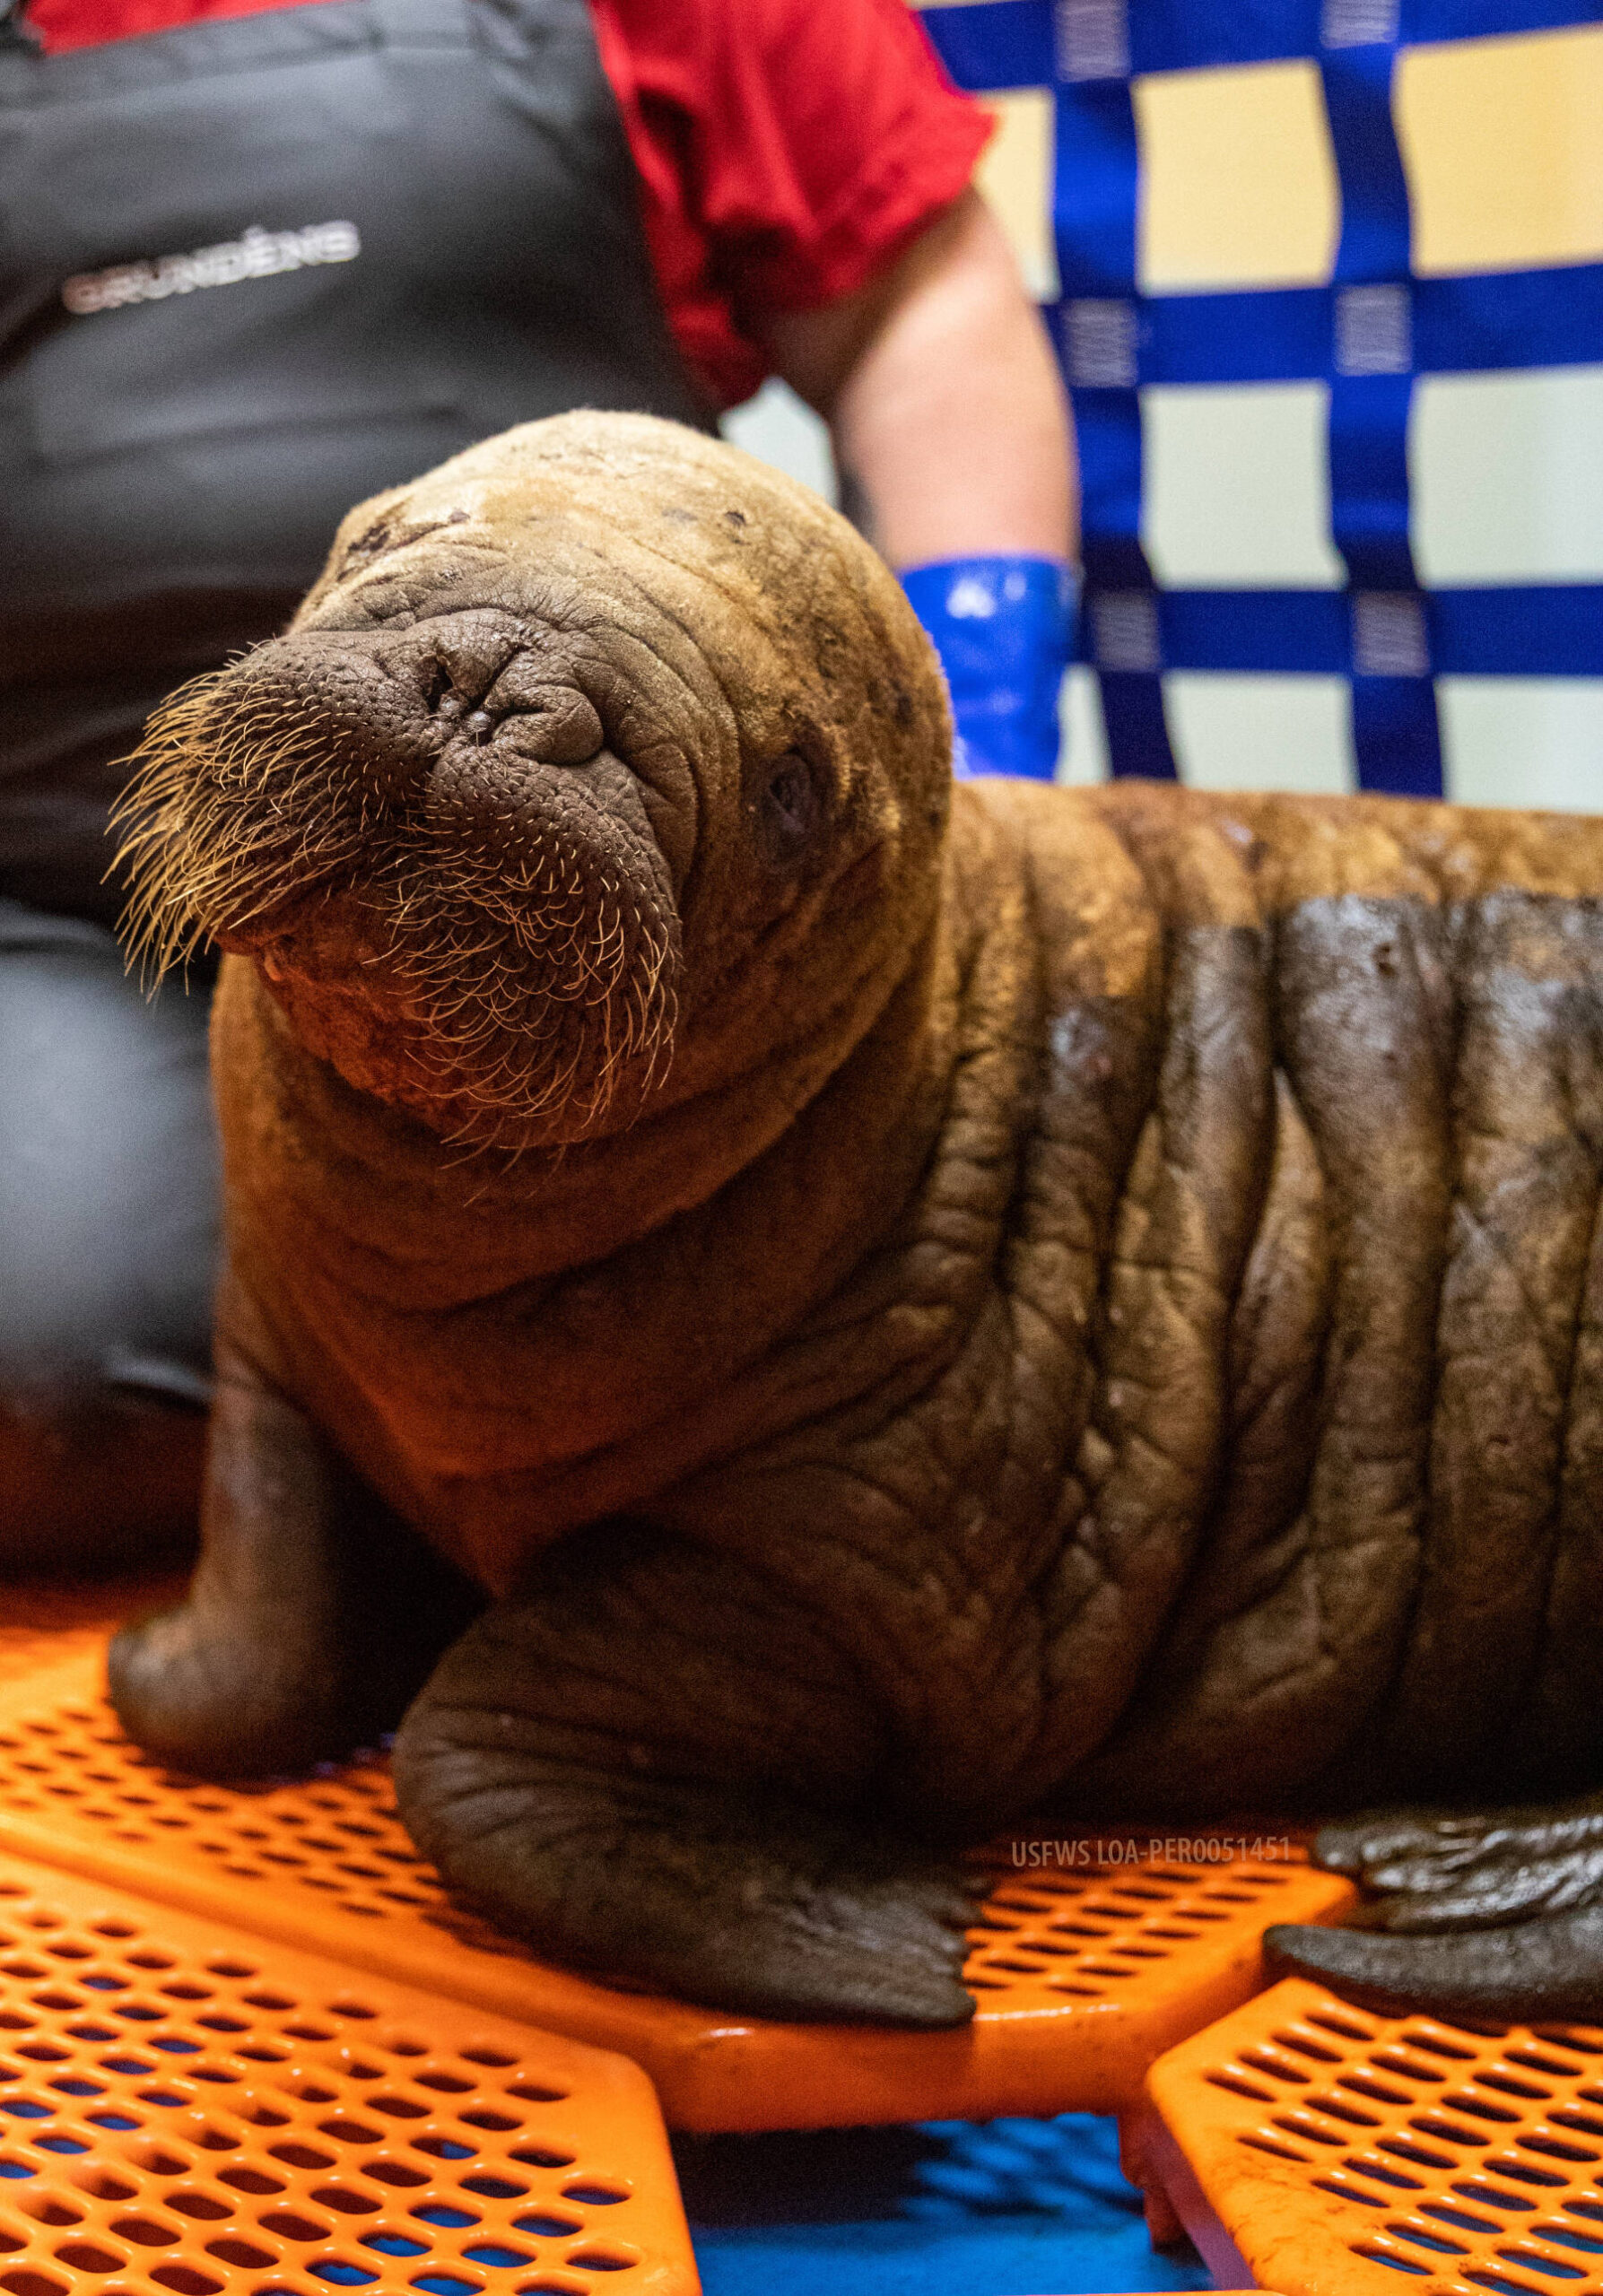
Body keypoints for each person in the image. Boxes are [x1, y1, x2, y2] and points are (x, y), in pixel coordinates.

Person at [0, 0, 1076, 1555]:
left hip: (615, 909)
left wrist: (984, 757)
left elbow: (922, 304)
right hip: (69, 909)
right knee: (50, 1375)